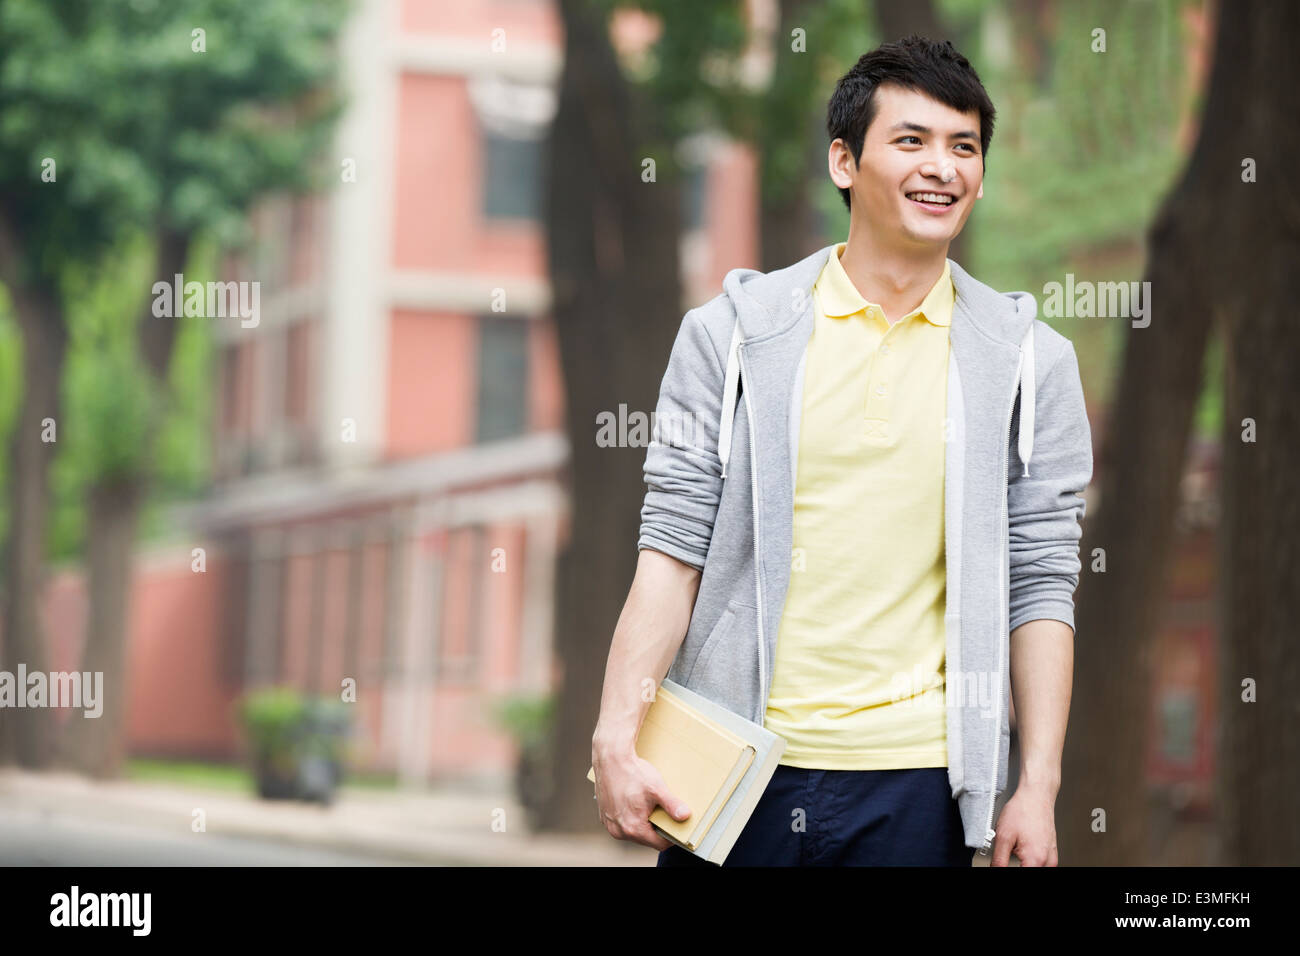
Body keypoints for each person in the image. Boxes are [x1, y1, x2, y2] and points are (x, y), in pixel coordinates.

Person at [591, 35, 1092, 867]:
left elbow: (1040, 583)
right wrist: (616, 731)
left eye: (964, 147)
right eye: (912, 140)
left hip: (917, 786)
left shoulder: (1030, 364)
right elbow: (672, 551)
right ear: (844, 162)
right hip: (731, 770)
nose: (942, 168)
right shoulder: (730, 338)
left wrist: (1037, 786)